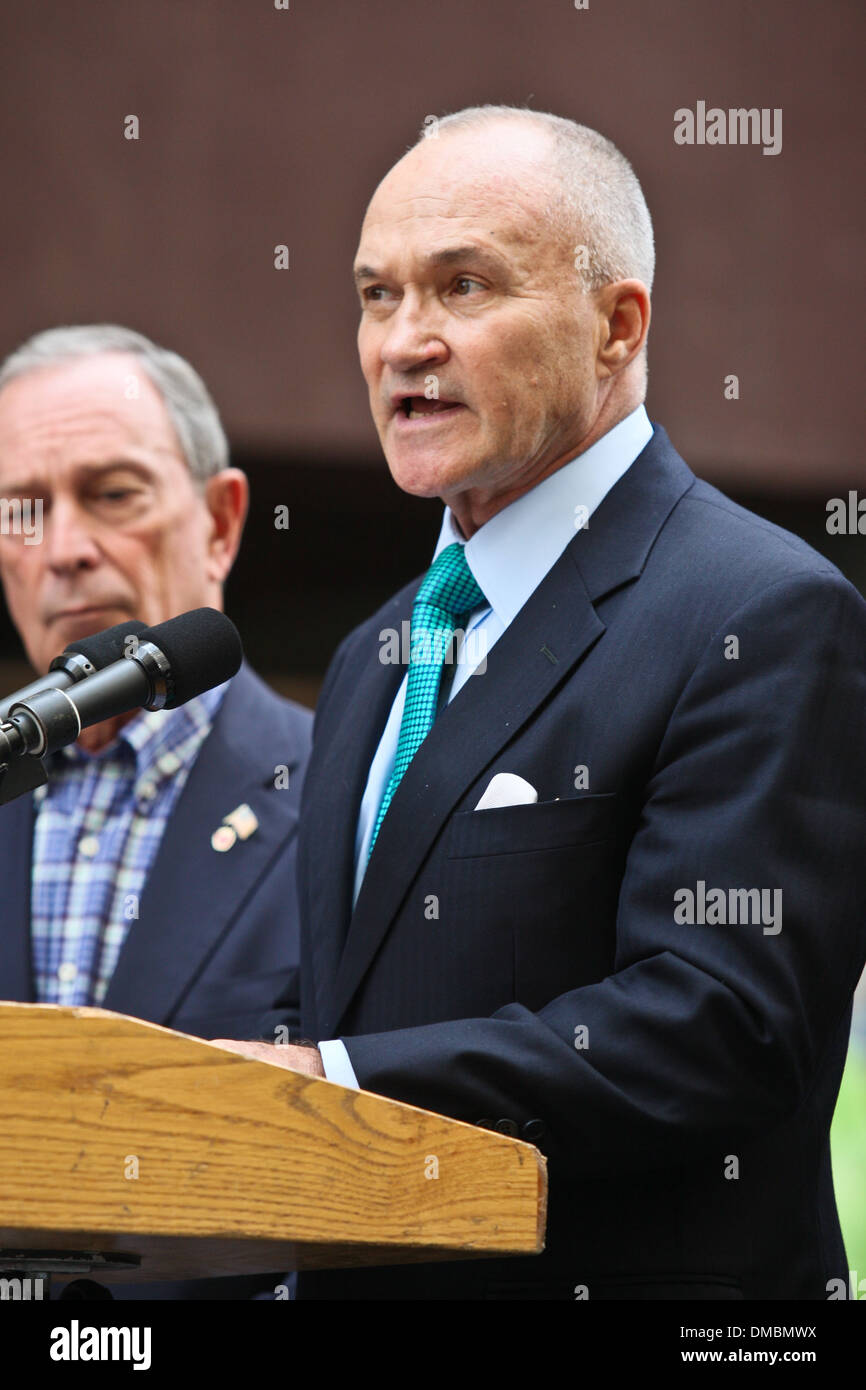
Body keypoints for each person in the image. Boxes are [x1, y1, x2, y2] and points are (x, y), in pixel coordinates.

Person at [214, 107, 866, 1300]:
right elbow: (344, 990)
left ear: (616, 326)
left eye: (462, 286)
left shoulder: (762, 612)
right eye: (375, 295)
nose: (404, 341)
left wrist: (333, 1079)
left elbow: (717, 1025)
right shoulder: (374, 653)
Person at [0, 324, 312, 1299]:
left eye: (113, 495)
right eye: (22, 512)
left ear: (220, 523)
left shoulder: (347, 790)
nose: (64, 552)